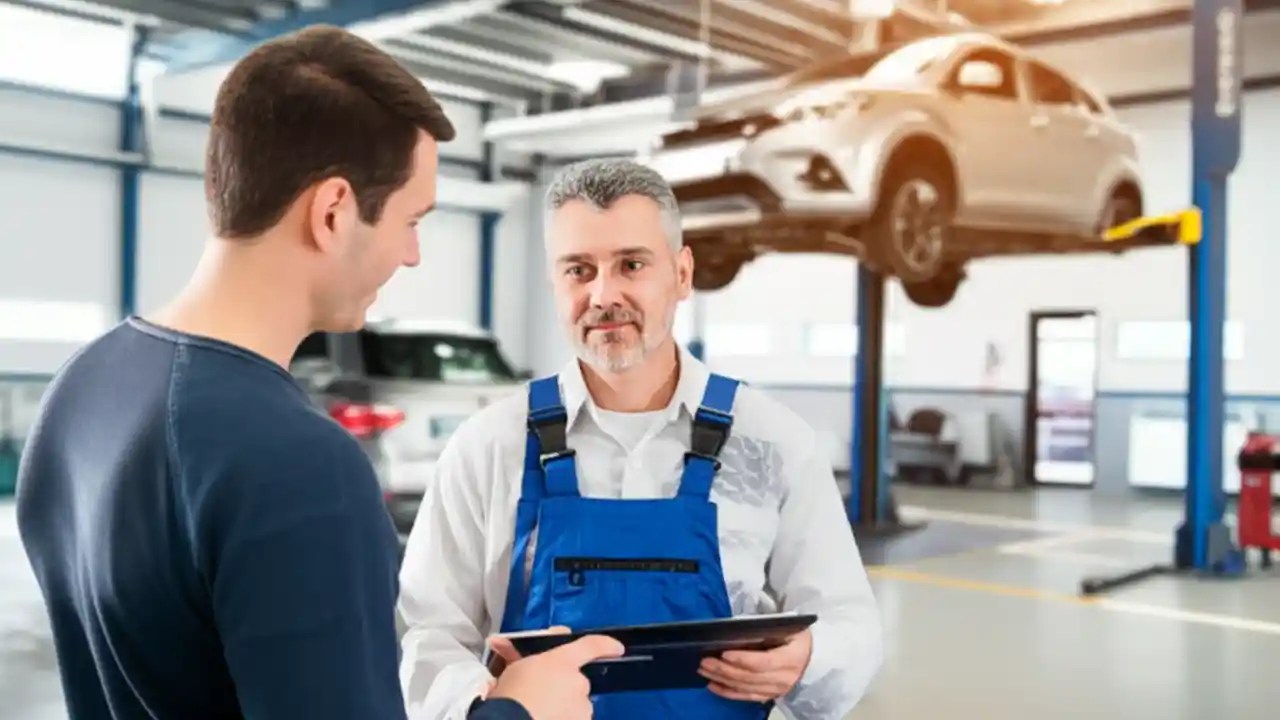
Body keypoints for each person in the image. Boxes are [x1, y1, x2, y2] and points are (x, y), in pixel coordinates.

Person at [15, 25, 619, 720]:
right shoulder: (299, 465)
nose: (413, 254)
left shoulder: (82, 389)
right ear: (333, 212)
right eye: (411, 219)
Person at [398, 158, 884, 720]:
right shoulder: (488, 448)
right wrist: (484, 704)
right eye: (579, 270)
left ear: (681, 275)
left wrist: (808, 658)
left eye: (631, 265)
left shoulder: (773, 443)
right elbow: (427, 633)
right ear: (554, 282)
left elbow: (851, 621)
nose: (604, 295)